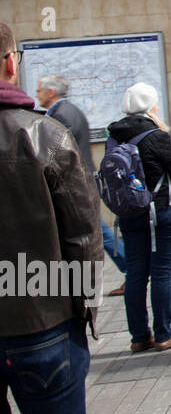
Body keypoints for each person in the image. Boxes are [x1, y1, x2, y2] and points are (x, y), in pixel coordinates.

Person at [0, 24, 102, 414]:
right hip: (43, 318)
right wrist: (83, 310)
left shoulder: (48, 133)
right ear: (10, 61)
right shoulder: (45, 135)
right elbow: (82, 236)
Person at [107, 82, 171, 353]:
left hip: (130, 213)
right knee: (162, 272)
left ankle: (139, 337)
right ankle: (163, 334)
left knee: (135, 274)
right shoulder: (156, 135)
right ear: (151, 106)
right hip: (161, 211)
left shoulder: (114, 136)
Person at [37, 74, 128, 295]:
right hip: (81, 181)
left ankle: (130, 269)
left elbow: (56, 152)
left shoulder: (60, 116)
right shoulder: (70, 110)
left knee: (97, 230)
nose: (37, 95)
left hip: (75, 184)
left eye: (39, 90)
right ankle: (129, 269)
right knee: (96, 229)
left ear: (51, 92)